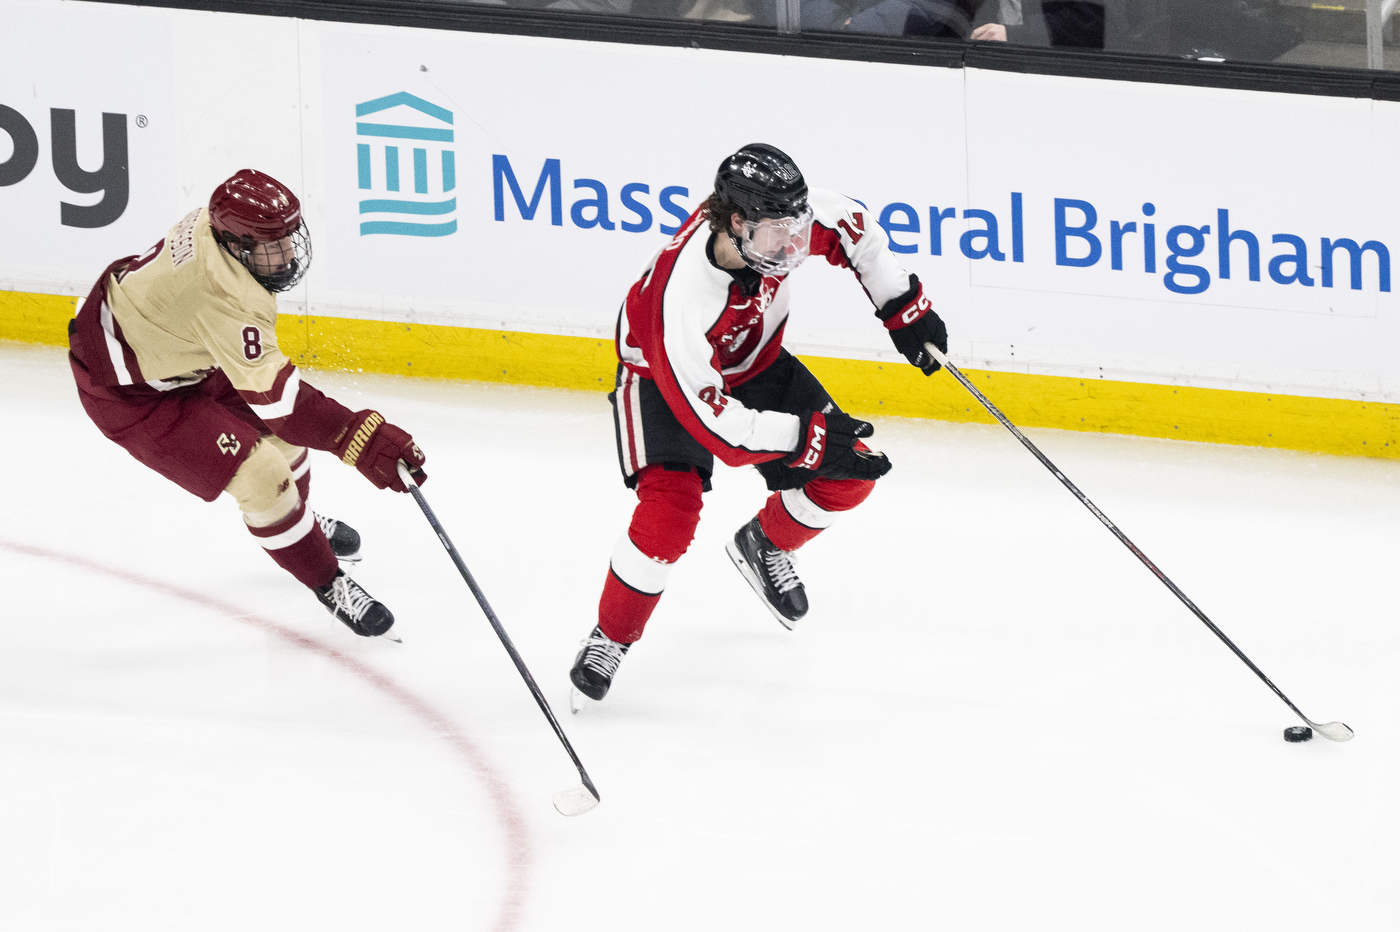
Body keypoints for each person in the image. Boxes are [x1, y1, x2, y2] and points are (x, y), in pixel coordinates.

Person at [568, 143, 947, 705]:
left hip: (754, 362)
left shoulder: (780, 224)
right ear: (737, 223)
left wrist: (902, 306)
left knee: (850, 473)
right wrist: (805, 439)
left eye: (798, 227)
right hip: (661, 381)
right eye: (778, 232)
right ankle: (611, 636)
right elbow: (721, 431)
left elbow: (855, 228)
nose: (794, 244)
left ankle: (765, 543)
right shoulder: (682, 298)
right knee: (669, 517)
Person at [67, 169, 427, 638]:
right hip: (130, 392)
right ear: (237, 245)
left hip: (178, 352)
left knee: (284, 442)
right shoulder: (220, 295)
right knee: (263, 475)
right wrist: (365, 439)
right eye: (273, 246)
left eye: (289, 238)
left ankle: (299, 519)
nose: (289, 254)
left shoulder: (215, 230)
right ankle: (328, 582)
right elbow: (288, 407)